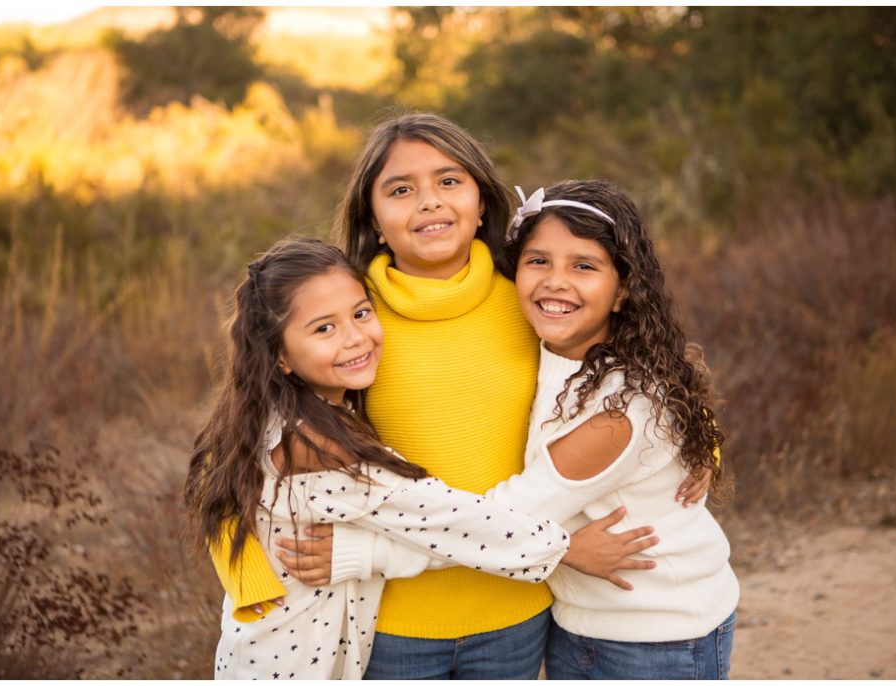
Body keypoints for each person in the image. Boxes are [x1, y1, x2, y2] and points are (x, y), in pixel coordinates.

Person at [222, 112, 710, 679]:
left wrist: (701, 440)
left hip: (516, 616)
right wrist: (247, 574)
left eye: (449, 181)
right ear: (374, 219)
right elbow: (249, 433)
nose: (429, 202)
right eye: (401, 189)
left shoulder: (535, 300)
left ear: (482, 204)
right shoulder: (349, 321)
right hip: (390, 624)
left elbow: (647, 367)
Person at [182, 236, 633, 680]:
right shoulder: (319, 444)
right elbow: (445, 518)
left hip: (265, 654)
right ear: (279, 355)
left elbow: (216, 491)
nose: (355, 338)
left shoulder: (269, 415)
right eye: (324, 328)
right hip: (297, 667)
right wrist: (565, 549)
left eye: (360, 314)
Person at [498, 179, 739, 679]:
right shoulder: (560, 351)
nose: (555, 281)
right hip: (582, 621)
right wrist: (706, 446)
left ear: (623, 289)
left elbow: (506, 520)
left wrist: (362, 549)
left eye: (583, 266)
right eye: (538, 260)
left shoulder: (616, 410)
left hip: (653, 638)